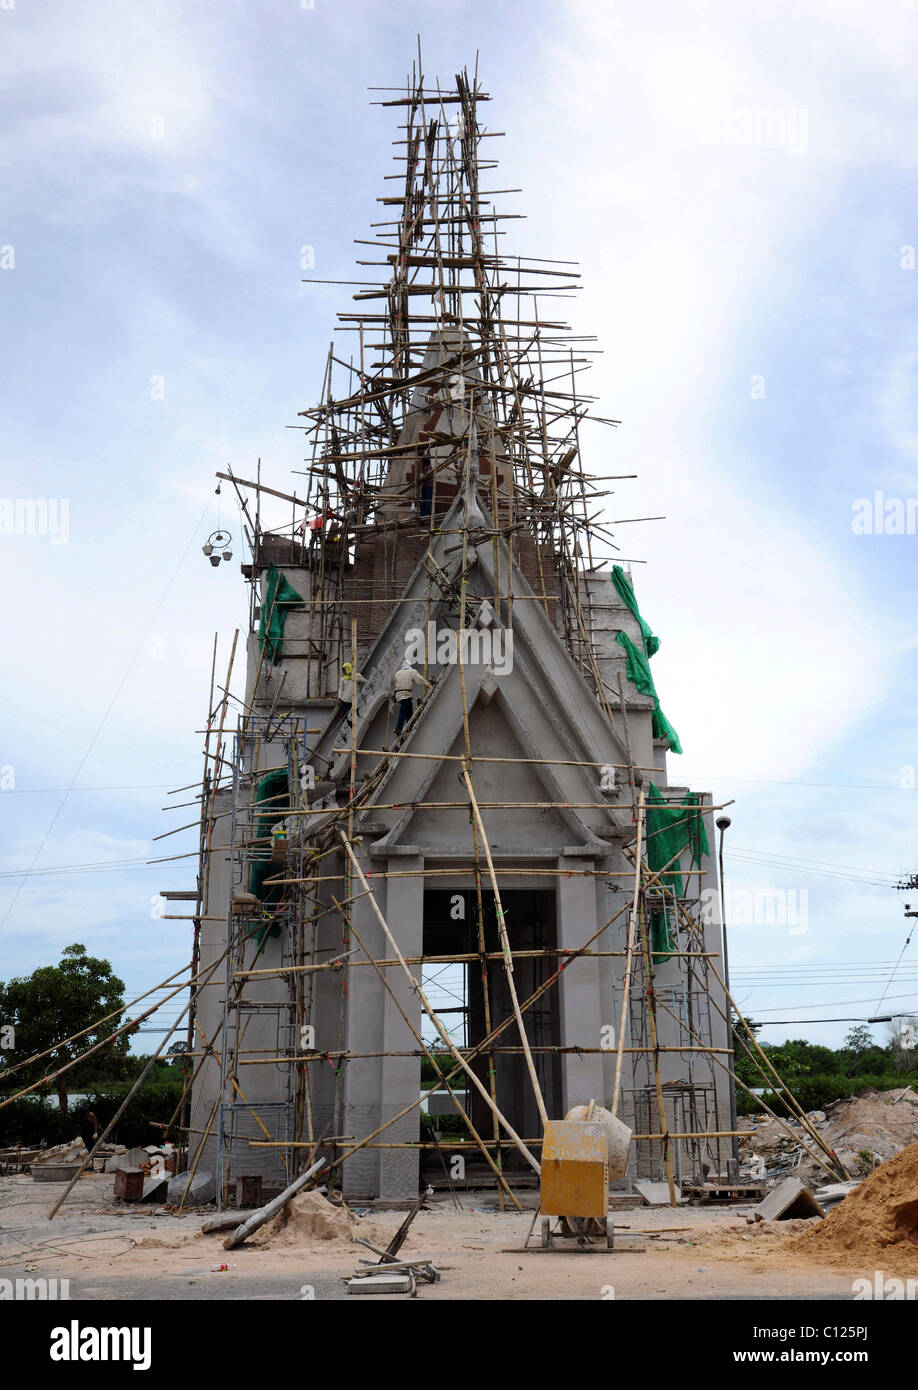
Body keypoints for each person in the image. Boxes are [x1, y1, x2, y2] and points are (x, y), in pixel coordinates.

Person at [393, 660, 432, 734]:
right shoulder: (412, 671)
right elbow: (420, 680)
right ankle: (399, 728)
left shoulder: (397, 673)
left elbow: (396, 684)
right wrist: (429, 685)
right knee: (403, 710)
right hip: (406, 694)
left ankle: (410, 724)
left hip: (398, 694)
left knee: (408, 708)